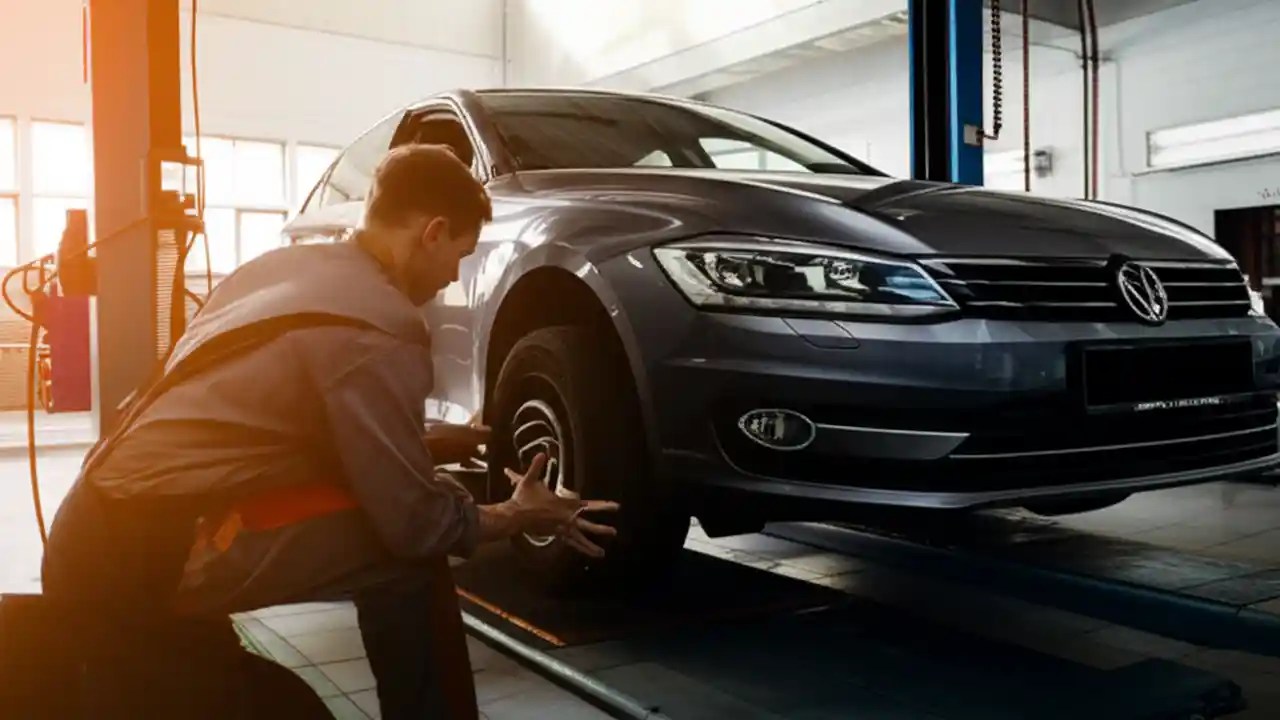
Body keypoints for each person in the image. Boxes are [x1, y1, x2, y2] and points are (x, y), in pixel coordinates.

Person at [37, 143, 620, 719]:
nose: (452, 276)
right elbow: (416, 525)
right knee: (405, 557)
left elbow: (272, 430)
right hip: (142, 564)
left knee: (287, 699)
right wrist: (517, 514)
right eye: (460, 255)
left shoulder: (278, 270)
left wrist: (428, 443)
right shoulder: (382, 325)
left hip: (85, 535)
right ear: (433, 232)